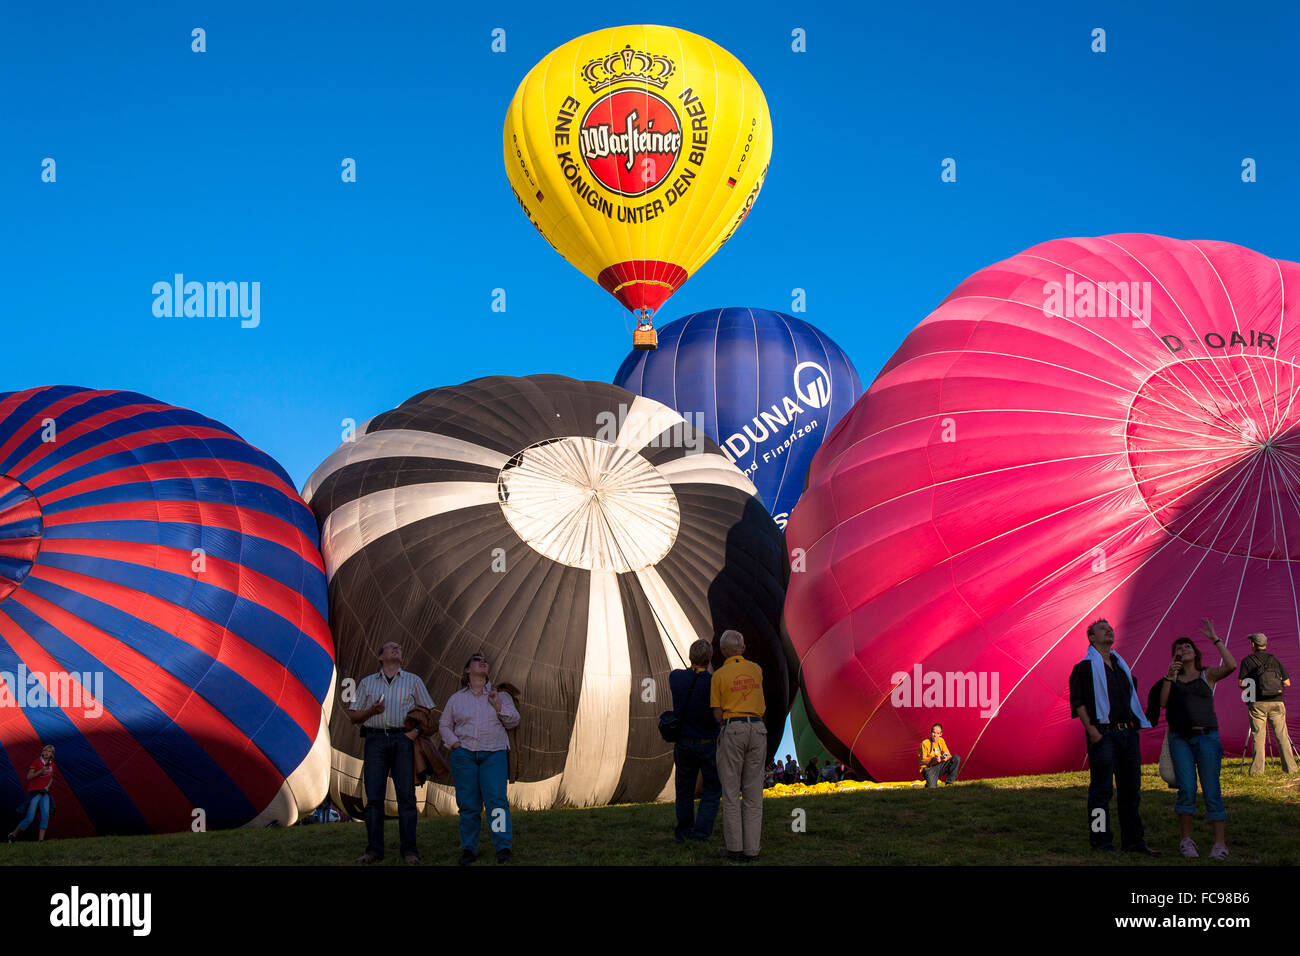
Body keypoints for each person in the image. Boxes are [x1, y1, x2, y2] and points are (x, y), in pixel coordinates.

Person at [1067, 618, 1159, 855]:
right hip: (1104, 735)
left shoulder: (1121, 667)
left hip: (1126, 734)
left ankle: (1134, 841)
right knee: (1101, 790)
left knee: (1131, 790)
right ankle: (1100, 840)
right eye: (1102, 629)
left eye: (1110, 628)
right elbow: (1078, 703)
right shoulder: (1085, 667)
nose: (1108, 630)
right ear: (1092, 638)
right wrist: (1093, 732)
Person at [348, 641, 435, 865]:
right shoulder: (367, 683)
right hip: (375, 739)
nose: (397, 648)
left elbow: (428, 713)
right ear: (380, 656)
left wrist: (414, 733)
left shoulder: (413, 681)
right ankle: (373, 850)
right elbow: (354, 717)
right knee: (374, 798)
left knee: (406, 797)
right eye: (391, 647)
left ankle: (410, 851)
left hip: (402, 740)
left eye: (399, 647)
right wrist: (372, 710)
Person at [1159, 620, 1236, 859]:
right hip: (1180, 739)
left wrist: (1216, 639)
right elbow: (1162, 702)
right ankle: (1186, 840)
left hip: (1207, 738)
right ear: (1175, 656)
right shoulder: (1172, 679)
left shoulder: (1207, 675)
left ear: (1196, 652)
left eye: (1188, 645)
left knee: (1212, 789)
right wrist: (1169, 675)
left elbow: (1232, 666)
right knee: (1187, 788)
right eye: (1179, 647)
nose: (1184, 648)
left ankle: (1219, 844)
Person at [440, 652, 521, 865]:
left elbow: (514, 721)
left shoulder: (501, 696)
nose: (483, 661)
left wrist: (497, 705)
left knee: (496, 802)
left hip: (494, 753)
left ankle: (502, 846)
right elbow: (444, 725)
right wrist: (455, 744)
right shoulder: (457, 699)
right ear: (468, 670)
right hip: (464, 755)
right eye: (477, 660)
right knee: (468, 805)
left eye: (485, 660)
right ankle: (469, 848)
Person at [711, 629, 766, 862]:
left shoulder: (719, 676)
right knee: (754, 793)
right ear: (743, 648)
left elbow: (717, 713)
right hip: (758, 728)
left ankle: (734, 848)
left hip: (733, 727)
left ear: (722, 651)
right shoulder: (756, 670)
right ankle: (752, 849)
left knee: (731, 791)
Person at [668, 639, 721, 842]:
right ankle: (700, 834)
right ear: (709, 659)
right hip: (708, 742)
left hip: (683, 742)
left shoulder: (676, 678)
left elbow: (680, 674)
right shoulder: (713, 682)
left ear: (690, 657)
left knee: (684, 790)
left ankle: (683, 832)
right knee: (712, 789)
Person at [1238, 632, 1297, 774]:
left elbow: (1241, 683)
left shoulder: (1247, 661)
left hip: (1257, 703)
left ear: (1253, 644)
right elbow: (1287, 682)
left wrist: (1255, 686)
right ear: (1265, 644)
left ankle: (1257, 771)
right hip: (1277, 702)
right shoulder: (1274, 659)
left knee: (1258, 736)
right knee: (1281, 735)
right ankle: (1291, 768)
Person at [7, 744, 56, 843]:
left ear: (52, 754)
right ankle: (13, 835)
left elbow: (51, 777)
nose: (47, 753)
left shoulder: (52, 764)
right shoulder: (37, 762)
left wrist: (47, 786)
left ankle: (40, 841)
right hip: (34, 792)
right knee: (30, 817)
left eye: (49, 751)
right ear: (42, 752)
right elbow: (29, 777)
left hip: (44, 792)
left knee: (45, 815)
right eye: (45, 750)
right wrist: (41, 771)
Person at [918, 723, 962, 787]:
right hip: (929, 768)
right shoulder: (924, 743)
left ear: (941, 734)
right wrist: (933, 759)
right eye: (933, 732)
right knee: (932, 787)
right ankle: (929, 783)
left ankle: (949, 783)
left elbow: (949, 755)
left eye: (937, 733)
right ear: (931, 732)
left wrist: (945, 757)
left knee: (956, 758)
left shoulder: (941, 741)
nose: (935, 735)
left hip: (939, 766)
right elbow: (922, 761)